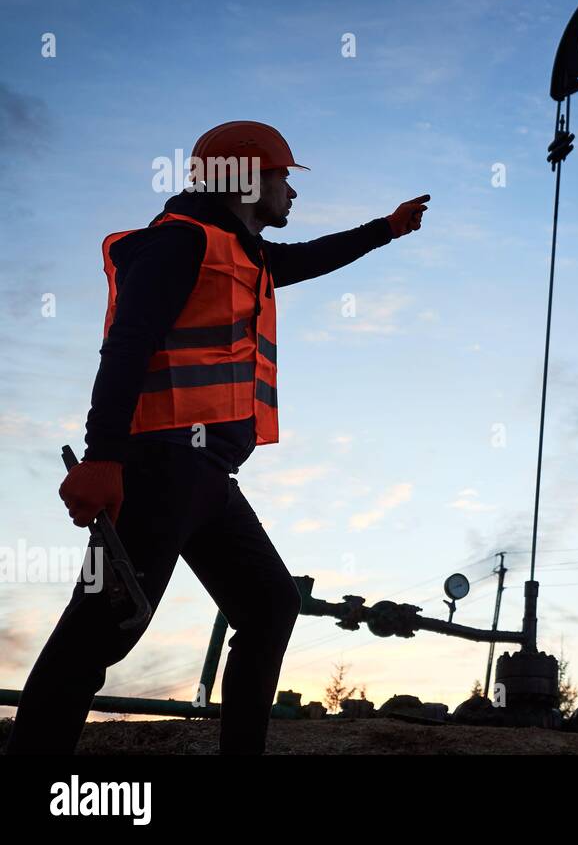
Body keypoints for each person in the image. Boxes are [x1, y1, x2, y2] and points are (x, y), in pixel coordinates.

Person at [4, 121, 429, 755]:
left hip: (205, 477)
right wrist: (102, 458)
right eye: (284, 176)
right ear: (247, 179)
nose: (292, 191)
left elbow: (312, 256)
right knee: (98, 631)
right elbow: (126, 347)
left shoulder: (245, 256)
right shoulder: (180, 244)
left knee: (269, 604)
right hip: (156, 466)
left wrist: (386, 228)